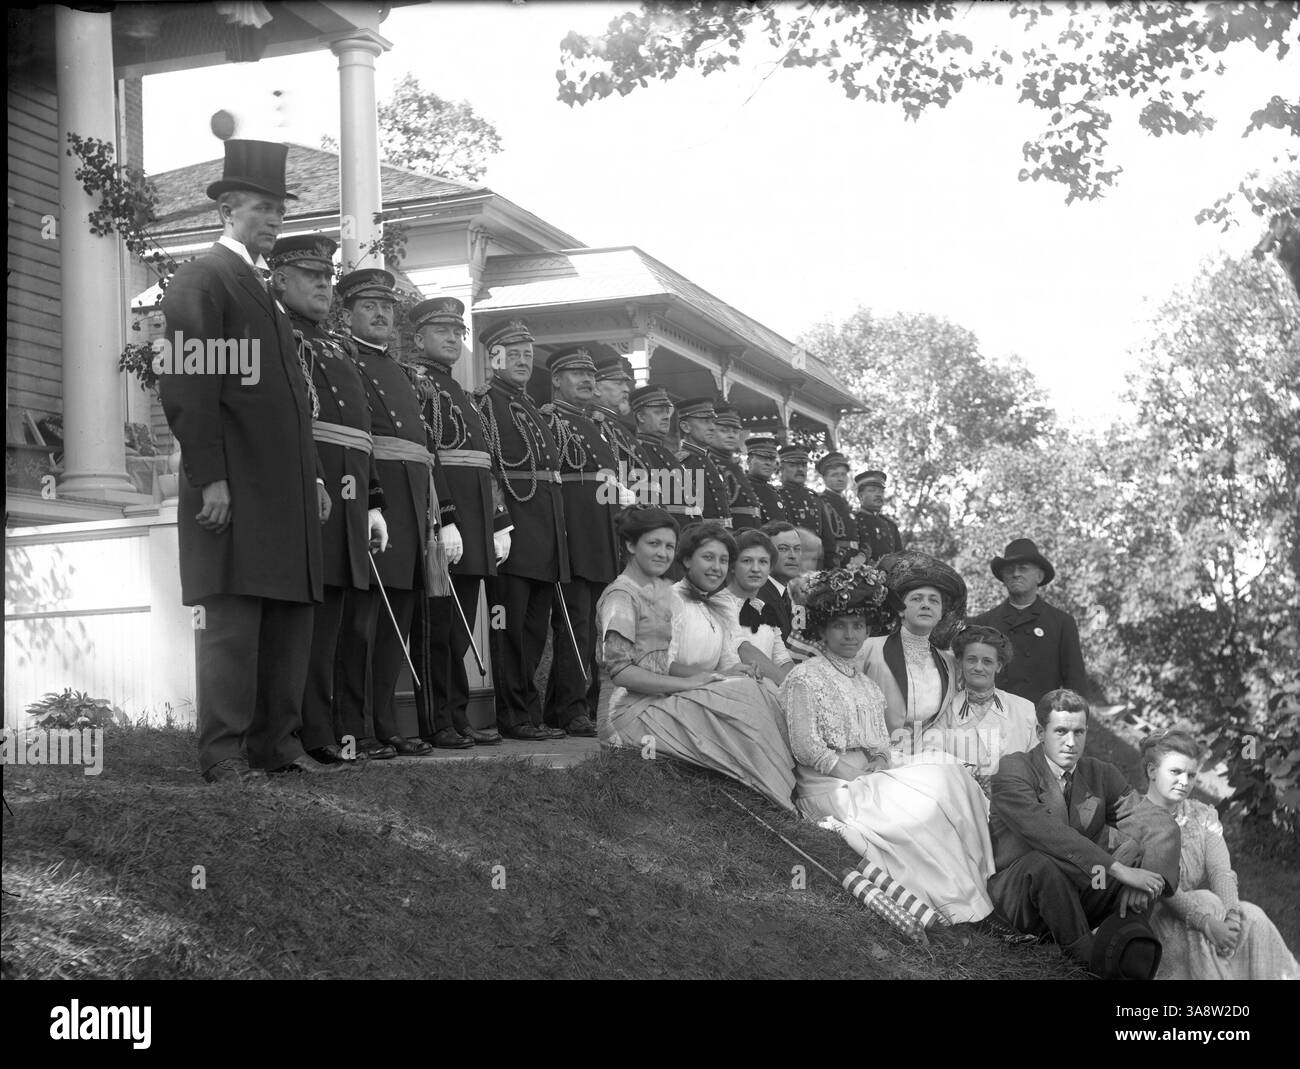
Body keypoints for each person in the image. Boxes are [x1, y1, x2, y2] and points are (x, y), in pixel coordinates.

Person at [158, 139, 332, 782]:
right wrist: (211, 478)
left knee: (287, 618)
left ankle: (277, 747)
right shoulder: (204, 278)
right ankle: (223, 754)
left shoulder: (260, 290)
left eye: (279, 207)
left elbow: (290, 402)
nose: (274, 218)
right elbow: (187, 386)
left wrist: (311, 474)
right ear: (227, 209)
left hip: (282, 489)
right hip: (234, 485)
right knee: (232, 622)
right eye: (262, 207)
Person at [778, 566, 1000, 926]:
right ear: (822, 630)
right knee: (921, 806)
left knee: (949, 776)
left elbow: (880, 739)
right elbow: (807, 748)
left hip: (868, 774)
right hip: (829, 786)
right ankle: (953, 901)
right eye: (840, 626)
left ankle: (985, 881)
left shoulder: (864, 684)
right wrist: (858, 775)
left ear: (867, 629)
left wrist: (880, 761)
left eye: (857, 626)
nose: (850, 635)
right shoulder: (806, 677)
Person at [269, 233, 388, 767]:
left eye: (327, 276)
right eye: (311, 275)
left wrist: (374, 503)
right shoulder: (278, 335)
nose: (323, 284)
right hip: (308, 486)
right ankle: (289, 733)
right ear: (279, 279)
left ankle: (328, 731)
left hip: (351, 494)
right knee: (306, 623)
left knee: (340, 622)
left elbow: (366, 435)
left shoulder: (336, 346)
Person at [594, 511, 796, 811]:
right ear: (632, 546)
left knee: (755, 688)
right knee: (745, 696)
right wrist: (693, 681)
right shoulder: (625, 596)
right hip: (628, 711)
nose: (663, 553)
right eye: (654, 544)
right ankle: (776, 796)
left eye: (668, 546)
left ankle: (785, 788)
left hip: (665, 698)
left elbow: (718, 661)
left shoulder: (695, 599)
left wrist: (727, 673)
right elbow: (622, 671)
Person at [335, 268, 451, 759]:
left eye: (386, 306)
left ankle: (385, 723)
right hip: (374, 502)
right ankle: (353, 729)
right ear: (347, 314)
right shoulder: (345, 360)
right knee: (360, 627)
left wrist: (443, 516)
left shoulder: (404, 374)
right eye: (368, 306)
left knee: (394, 628)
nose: (381, 313)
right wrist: (369, 503)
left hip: (410, 508)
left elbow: (428, 450)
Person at [987, 689, 1181, 978]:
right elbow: (1047, 832)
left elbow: (1158, 824)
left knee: (1142, 856)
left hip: (1076, 891)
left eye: (1079, 732)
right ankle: (1089, 961)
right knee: (1044, 864)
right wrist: (1116, 869)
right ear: (1041, 732)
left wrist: (1142, 881)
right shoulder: (1013, 769)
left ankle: (1125, 945)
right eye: (1061, 731)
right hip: (1020, 901)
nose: (1070, 742)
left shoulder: (1099, 773)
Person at [405, 297, 513, 749]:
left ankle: (458, 714)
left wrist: (499, 521)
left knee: (463, 628)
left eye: (458, 332)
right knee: (440, 628)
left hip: (475, 520)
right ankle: (437, 720)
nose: (453, 338)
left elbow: (486, 465)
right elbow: (428, 456)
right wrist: (444, 518)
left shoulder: (461, 393)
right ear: (418, 338)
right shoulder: (418, 383)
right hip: (444, 518)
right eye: (443, 331)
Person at [1140, 729, 1298, 979]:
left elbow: (1220, 871)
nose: (1185, 781)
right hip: (1154, 918)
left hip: (1204, 911)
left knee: (1252, 916)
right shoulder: (1134, 817)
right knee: (1207, 902)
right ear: (1151, 771)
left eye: (1191, 775)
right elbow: (1161, 886)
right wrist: (1207, 922)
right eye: (1175, 772)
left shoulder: (1202, 816)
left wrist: (1232, 917)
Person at [476, 319, 569, 742]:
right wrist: (498, 522)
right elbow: (489, 469)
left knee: (533, 630)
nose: (522, 362)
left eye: (528, 356)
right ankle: (511, 716)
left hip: (544, 534)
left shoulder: (530, 406)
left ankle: (528, 712)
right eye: (512, 354)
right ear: (492, 357)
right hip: (513, 528)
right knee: (509, 629)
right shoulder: (485, 402)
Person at [543, 346, 623, 737]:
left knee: (592, 627)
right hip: (573, 534)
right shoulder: (550, 420)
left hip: (600, 536)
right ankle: (571, 708)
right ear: (556, 380)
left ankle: (577, 706)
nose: (587, 379)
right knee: (573, 625)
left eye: (590, 373)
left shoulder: (595, 425)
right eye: (576, 372)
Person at [969, 537, 1088, 704]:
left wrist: (1071, 722)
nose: (1016, 574)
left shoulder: (1061, 623)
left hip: (1040, 721)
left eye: (1023, 568)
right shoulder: (984, 623)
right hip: (994, 721)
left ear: (1039, 576)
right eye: (1010, 569)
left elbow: (1075, 684)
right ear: (1003, 577)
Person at [858, 551, 965, 734]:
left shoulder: (949, 664)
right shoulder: (868, 649)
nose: (926, 605)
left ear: (941, 614)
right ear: (900, 610)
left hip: (928, 752)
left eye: (934, 601)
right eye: (916, 599)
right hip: (875, 752)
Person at [927, 624, 1038, 779]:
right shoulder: (945, 710)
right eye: (971, 660)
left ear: (998, 666)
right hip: (961, 796)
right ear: (960, 662)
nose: (978, 667)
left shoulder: (1024, 710)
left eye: (987, 661)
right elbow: (932, 754)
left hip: (1013, 798)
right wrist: (971, 772)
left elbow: (1037, 764)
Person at [724, 528, 793, 686]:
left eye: (763, 562)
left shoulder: (764, 608)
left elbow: (783, 659)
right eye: (747, 561)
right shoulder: (720, 603)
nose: (755, 569)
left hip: (769, 691)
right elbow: (744, 652)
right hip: (733, 691)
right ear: (732, 566)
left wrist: (797, 688)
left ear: (770, 569)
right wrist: (789, 686)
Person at [627, 384, 697, 524]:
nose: (666, 417)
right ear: (641, 416)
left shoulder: (667, 453)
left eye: (667, 411)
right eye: (658, 412)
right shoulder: (633, 454)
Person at [674, 397, 731, 526]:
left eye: (712, 421)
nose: (712, 427)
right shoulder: (680, 464)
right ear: (685, 427)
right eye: (705, 421)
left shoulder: (710, 462)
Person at [712, 403, 764, 529]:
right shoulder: (710, 465)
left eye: (735, 431)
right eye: (724, 430)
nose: (731, 435)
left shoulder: (735, 467)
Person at [776, 445, 830, 556]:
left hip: (815, 560)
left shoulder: (815, 499)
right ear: (781, 468)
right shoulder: (776, 496)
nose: (800, 469)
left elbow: (828, 537)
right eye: (793, 465)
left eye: (804, 465)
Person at [755, 521, 803, 643]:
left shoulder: (795, 596)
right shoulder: (757, 596)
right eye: (783, 549)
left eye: (797, 549)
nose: (793, 555)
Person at [816, 451, 858, 566]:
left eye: (843, 474)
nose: (840, 479)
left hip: (855, 560)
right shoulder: (821, 501)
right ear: (824, 478)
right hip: (835, 560)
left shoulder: (847, 504)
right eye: (834, 475)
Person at [853, 470, 903, 562]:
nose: (878, 494)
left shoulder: (891, 525)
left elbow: (900, 559)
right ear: (860, 496)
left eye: (881, 491)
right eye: (872, 490)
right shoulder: (851, 520)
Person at [744, 435, 787, 525]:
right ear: (749, 460)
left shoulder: (775, 492)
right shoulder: (739, 487)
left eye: (771, 459)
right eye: (762, 458)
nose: (768, 463)